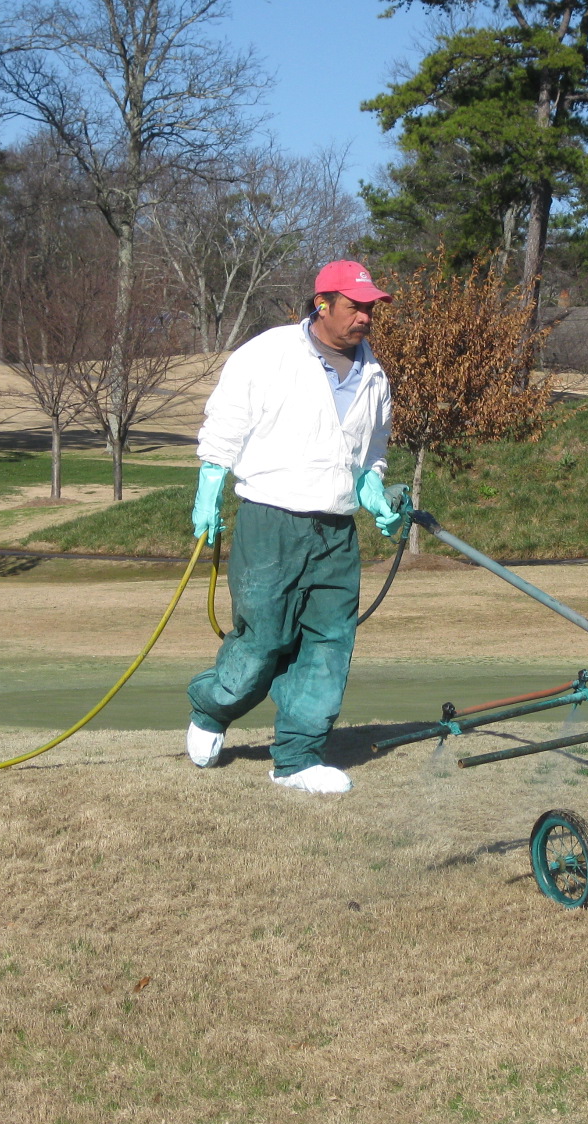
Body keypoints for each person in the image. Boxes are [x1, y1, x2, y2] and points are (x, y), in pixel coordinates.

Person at [184, 261, 399, 794]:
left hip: (335, 528)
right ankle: (212, 708)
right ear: (322, 303)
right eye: (356, 306)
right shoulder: (267, 354)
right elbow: (226, 423)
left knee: (329, 642)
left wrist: (373, 489)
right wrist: (210, 483)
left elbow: (371, 453)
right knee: (264, 642)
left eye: (371, 307)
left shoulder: (375, 377)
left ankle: (297, 757)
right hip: (269, 520)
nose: (365, 317)